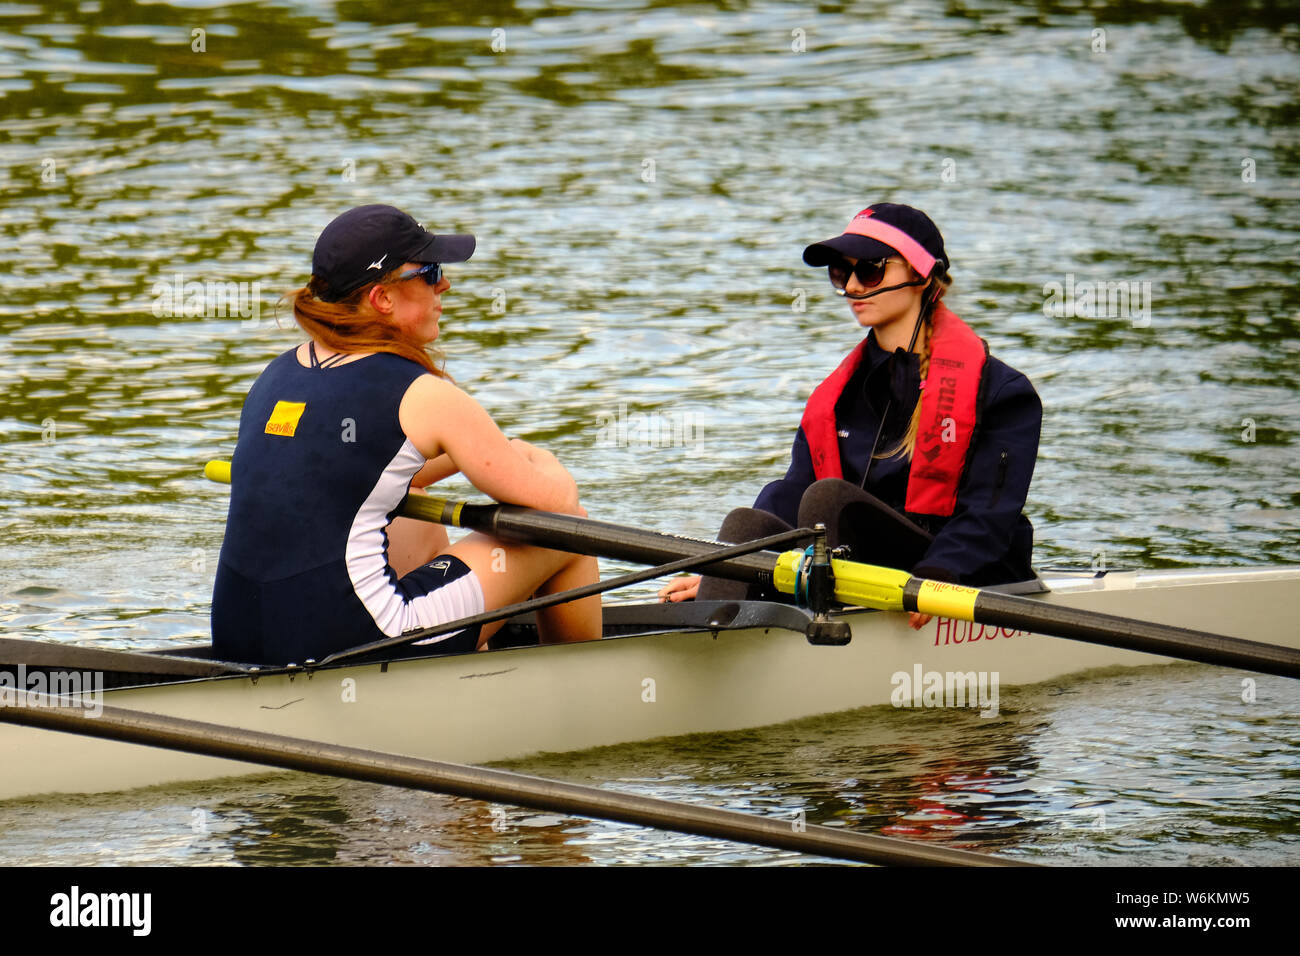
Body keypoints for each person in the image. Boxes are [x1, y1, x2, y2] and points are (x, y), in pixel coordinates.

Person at [212, 204, 600, 664]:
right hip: (352, 639)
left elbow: (364, 465)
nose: (446, 285)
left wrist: (471, 451)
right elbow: (555, 502)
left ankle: (472, 667)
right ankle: (575, 689)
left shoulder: (276, 375)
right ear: (383, 299)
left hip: (238, 633)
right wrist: (538, 458)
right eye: (430, 273)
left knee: (415, 517)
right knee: (571, 529)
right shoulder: (423, 394)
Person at [658, 203, 1042, 628]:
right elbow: (791, 496)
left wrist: (934, 578)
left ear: (920, 275)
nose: (854, 287)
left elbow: (988, 516)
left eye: (871, 270)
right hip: (858, 570)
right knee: (747, 520)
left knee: (829, 500)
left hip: (964, 576)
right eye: (842, 272)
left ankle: (801, 630)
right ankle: (708, 624)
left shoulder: (1005, 393)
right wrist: (732, 569)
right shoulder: (835, 397)